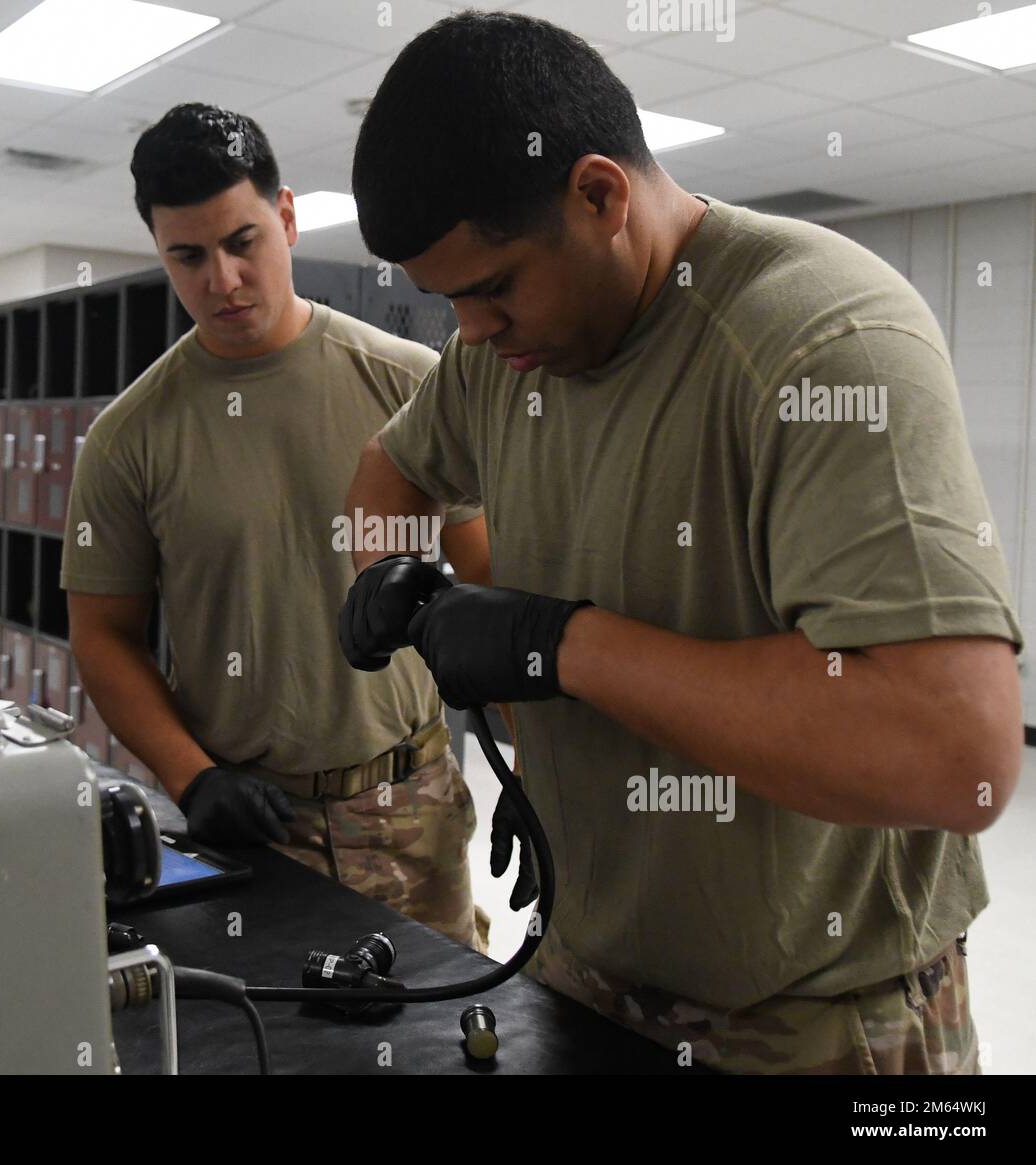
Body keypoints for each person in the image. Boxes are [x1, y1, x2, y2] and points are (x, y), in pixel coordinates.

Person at [339, 12, 1024, 1072]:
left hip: (821, 1019)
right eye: (447, 301)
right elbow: (393, 470)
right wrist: (408, 593)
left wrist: (555, 645)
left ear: (600, 196)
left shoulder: (822, 338)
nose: (469, 331)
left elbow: (953, 752)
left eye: (492, 286)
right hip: (584, 969)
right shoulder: (505, 354)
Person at [60, 103, 491, 950]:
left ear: (286, 216)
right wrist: (192, 777)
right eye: (188, 255)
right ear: (161, 253)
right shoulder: (129, 436)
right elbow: (102, 635)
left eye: (242, 241)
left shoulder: (412, 382)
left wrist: (542, 776)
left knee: (441, 1040)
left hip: (413, 809)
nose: (220, 279)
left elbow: (491, 579)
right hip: (254, 820)